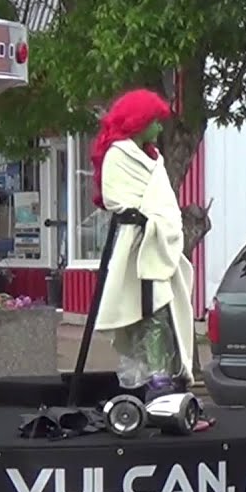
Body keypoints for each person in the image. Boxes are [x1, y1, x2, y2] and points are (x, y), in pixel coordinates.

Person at [90, 89, 197, 403]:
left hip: (157, 244)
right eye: (156, 122)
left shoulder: (153, 157)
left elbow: (162, 202)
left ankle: (166, 375)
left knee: (163, 311)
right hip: (135, 248)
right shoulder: (118, 155)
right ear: (141, 122)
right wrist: (148, 221)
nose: (161, 128)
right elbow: (115, 198)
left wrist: (160, 224)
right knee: (146, 312)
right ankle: (156, 377)